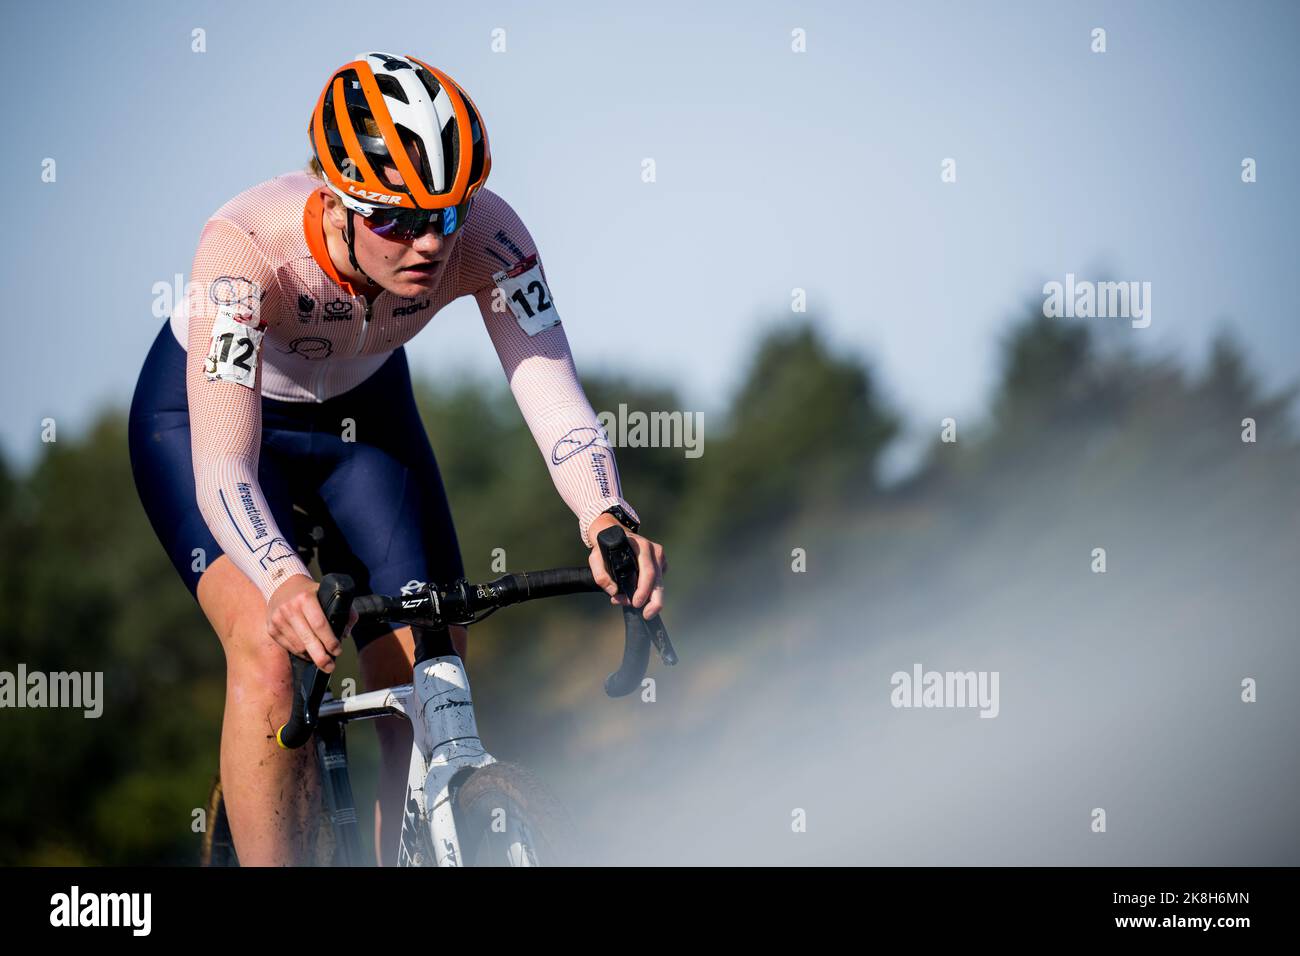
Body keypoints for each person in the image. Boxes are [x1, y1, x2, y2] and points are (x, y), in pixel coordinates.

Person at [127, 52, 666, 866]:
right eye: (393, 220)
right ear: (333, 197)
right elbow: (225, 470)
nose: (425, 244)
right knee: (272, 654)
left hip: (365, 421)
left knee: (431, 652)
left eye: (445, 216)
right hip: (212, 427)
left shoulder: (491, 236)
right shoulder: (245, 248)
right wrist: (280, 578)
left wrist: (604, 513)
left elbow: (554, 397)